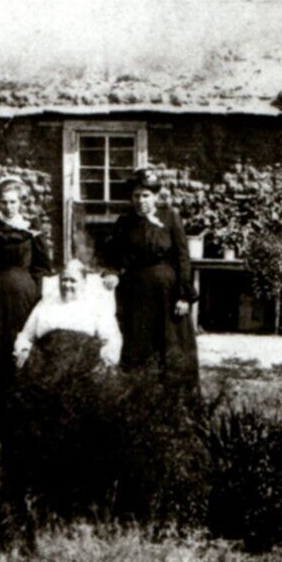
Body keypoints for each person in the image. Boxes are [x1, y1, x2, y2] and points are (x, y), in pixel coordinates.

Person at [0, 178, 52, 436]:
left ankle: (23, 421)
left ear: (21, 202)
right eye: (3, 202)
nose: (8, 206)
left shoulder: (33, 229)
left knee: (23, 352)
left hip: (26, 299)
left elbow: (42, 269)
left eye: (13, 201)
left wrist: (39, 301)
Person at [102, 169, 200, 394]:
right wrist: (112, 273)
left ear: (156, 196)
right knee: (138, 344)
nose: (141, 201)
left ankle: (176, 398)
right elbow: (114, 257)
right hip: (135, 294)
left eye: (146, 195)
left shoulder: (170, 218)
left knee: (171, 344)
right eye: (136, 196)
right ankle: (140, 399)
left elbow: (183, 257)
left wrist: (184, 295)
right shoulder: (124, 222)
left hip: (167, 293)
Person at [13, 259, 121, 369]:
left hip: (82, 366)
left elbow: (112, 338)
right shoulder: (46, 303)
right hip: (47, 365)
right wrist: (24, 350)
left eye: (72, 281)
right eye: (63, 280)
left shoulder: (96, 304)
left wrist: (105, 361)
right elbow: (25, 336)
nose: (67, 285)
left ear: (84, 282)